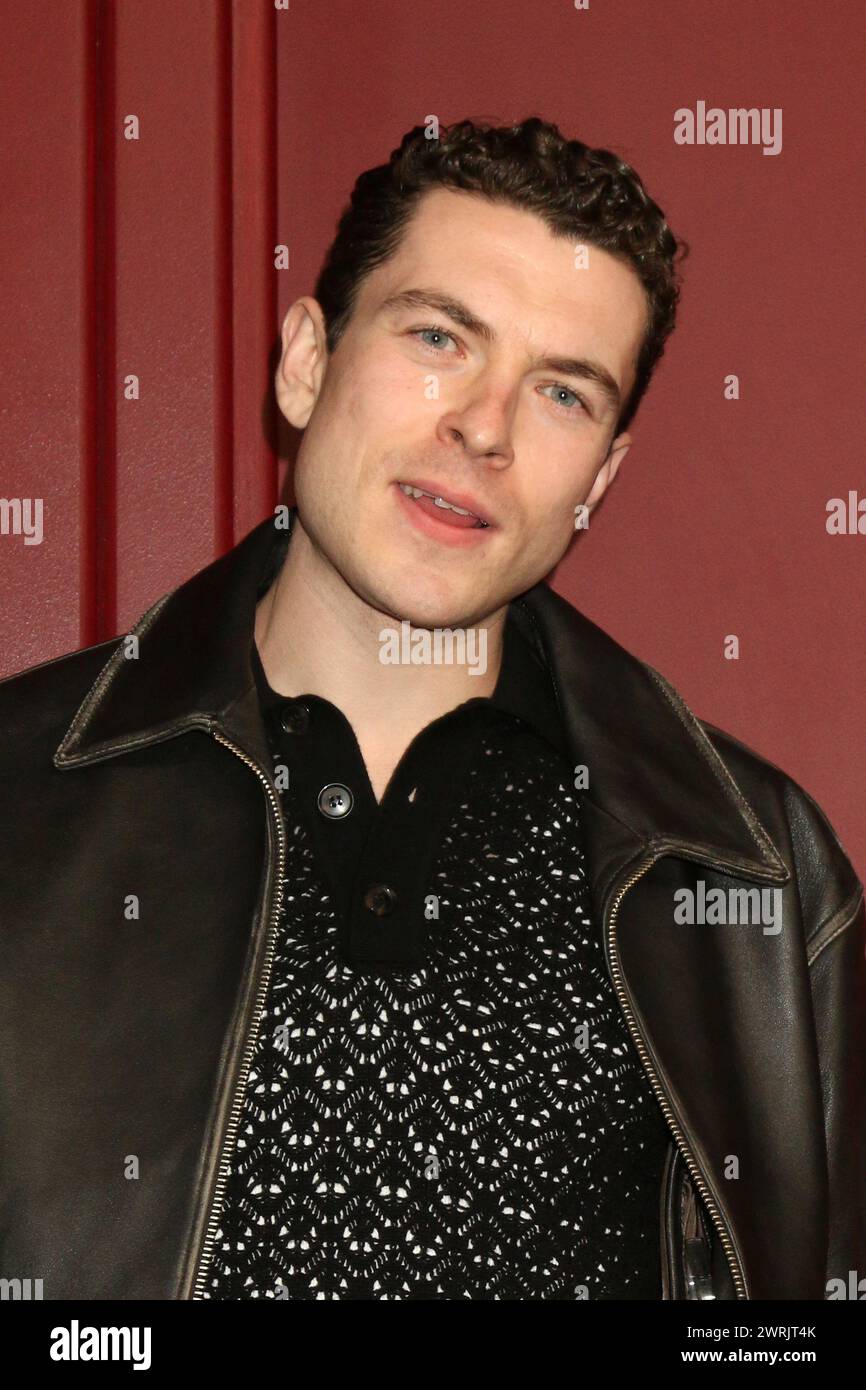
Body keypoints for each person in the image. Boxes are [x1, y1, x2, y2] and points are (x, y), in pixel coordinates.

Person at [0, 118, 863, 1302]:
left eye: (560, 393)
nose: (484, 428)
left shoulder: (757, 872)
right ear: (305, 360)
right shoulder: (18, 796)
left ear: (600, 477)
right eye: (437, 336)